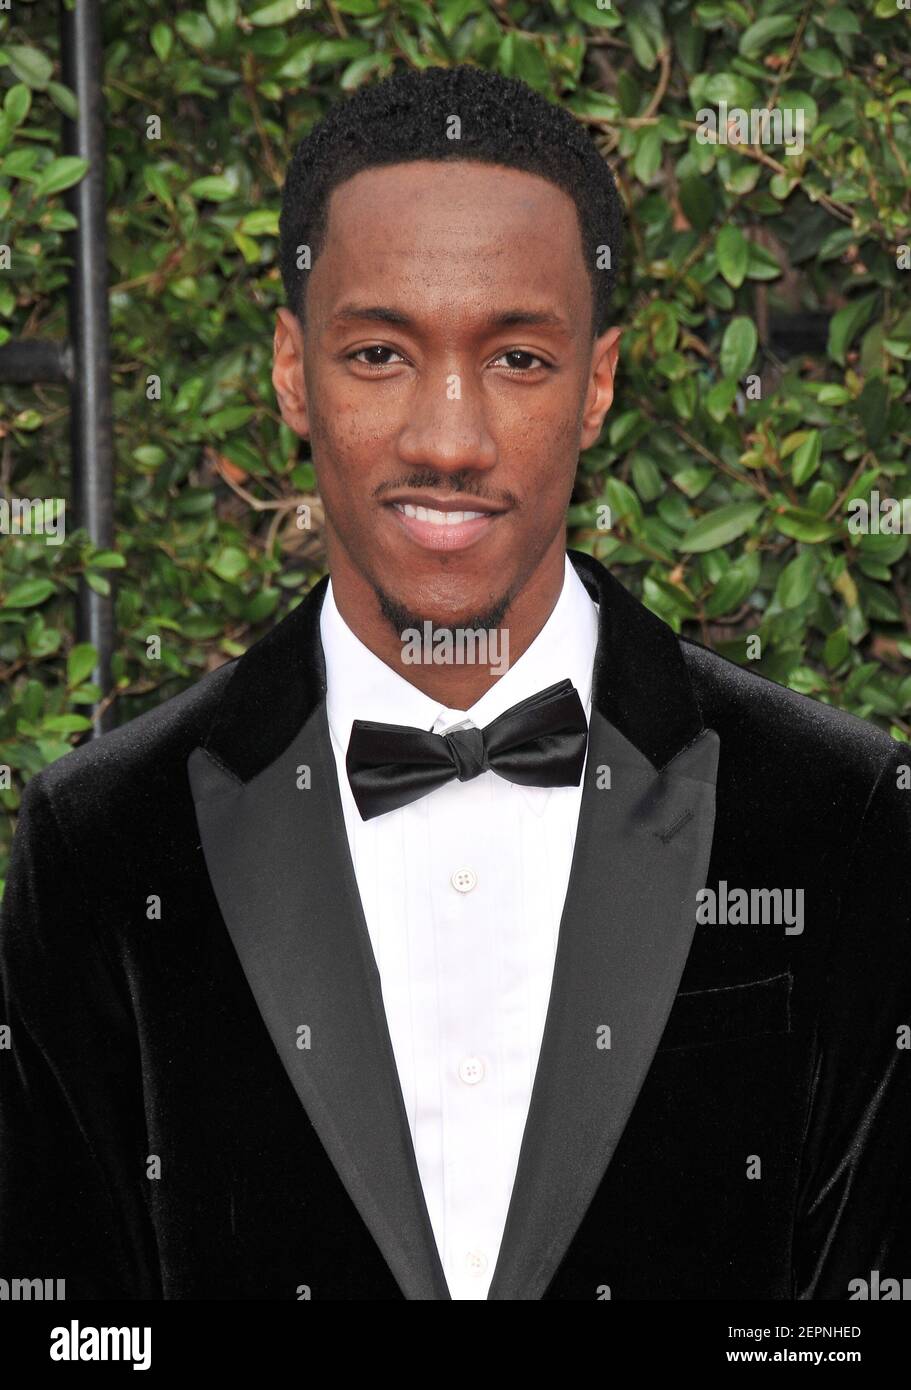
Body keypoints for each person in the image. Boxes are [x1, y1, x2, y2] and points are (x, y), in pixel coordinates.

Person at [1, 64, 909, 1302]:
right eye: (378, 351)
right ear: (290, 371)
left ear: (596, 384)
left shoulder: (839, 815)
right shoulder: (100, 842)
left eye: (518, 359)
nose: (446, 437)